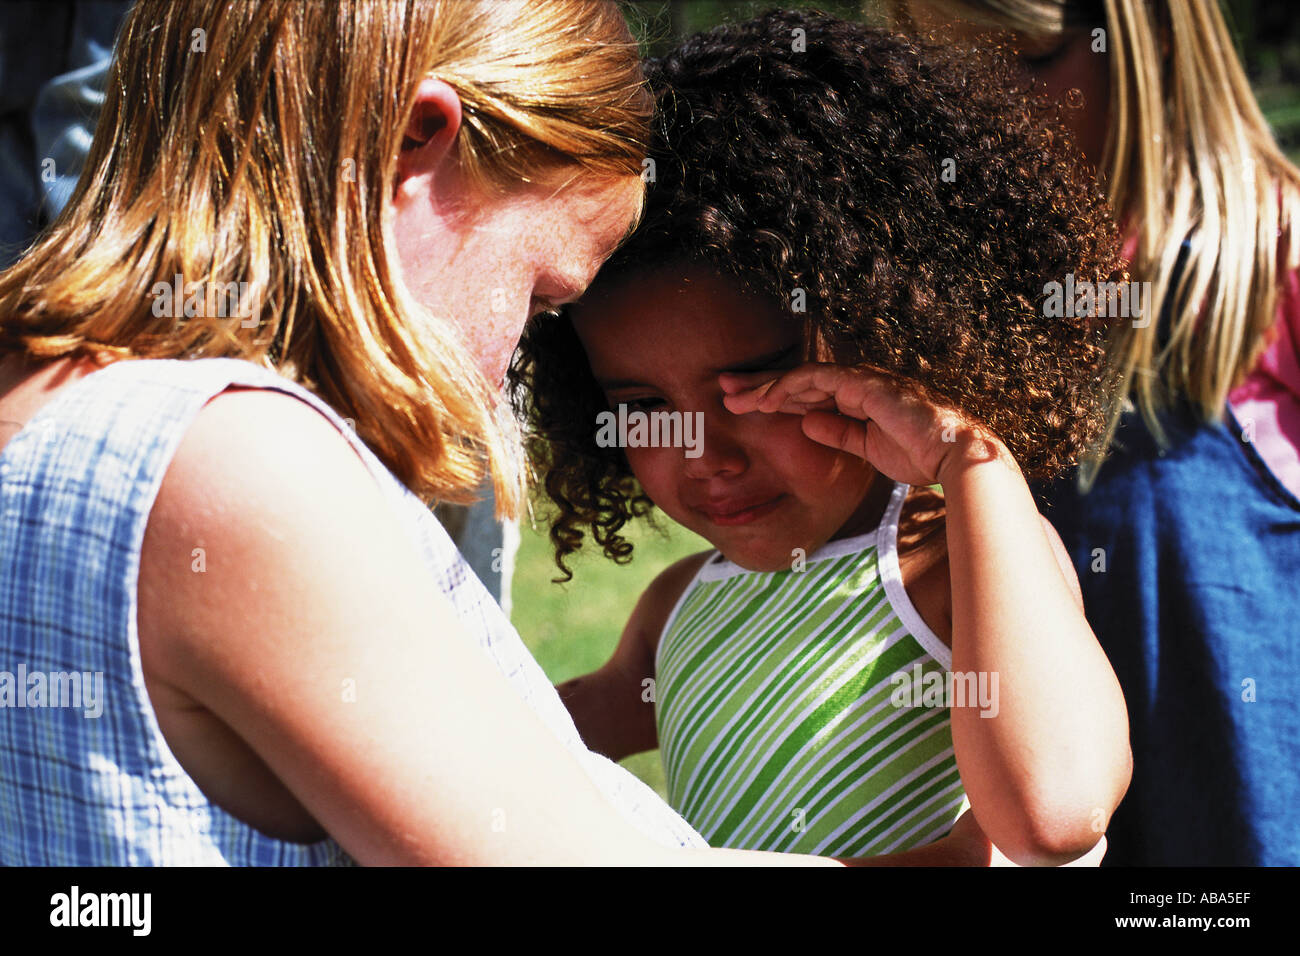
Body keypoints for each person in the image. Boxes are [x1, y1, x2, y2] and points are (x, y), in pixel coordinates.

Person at [0, 0, 888, 867]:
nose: (510, 368)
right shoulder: (237, 462)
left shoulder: (38, 394)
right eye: (540, 296)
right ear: (415, 143)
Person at [511, 10, 1131, 865]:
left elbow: (1051, 819)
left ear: (889, 344)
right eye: (647, 406)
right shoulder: (678, 609)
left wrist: (972, 460)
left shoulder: (958, 568)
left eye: (758, 388)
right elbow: (511, 754)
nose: (707, 454)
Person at [906, 0, 1300, 866]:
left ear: (1147, 40)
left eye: (1025, 59)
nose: (987, 109)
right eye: (949, 70)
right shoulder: (965, 297)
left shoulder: (1274, 260)